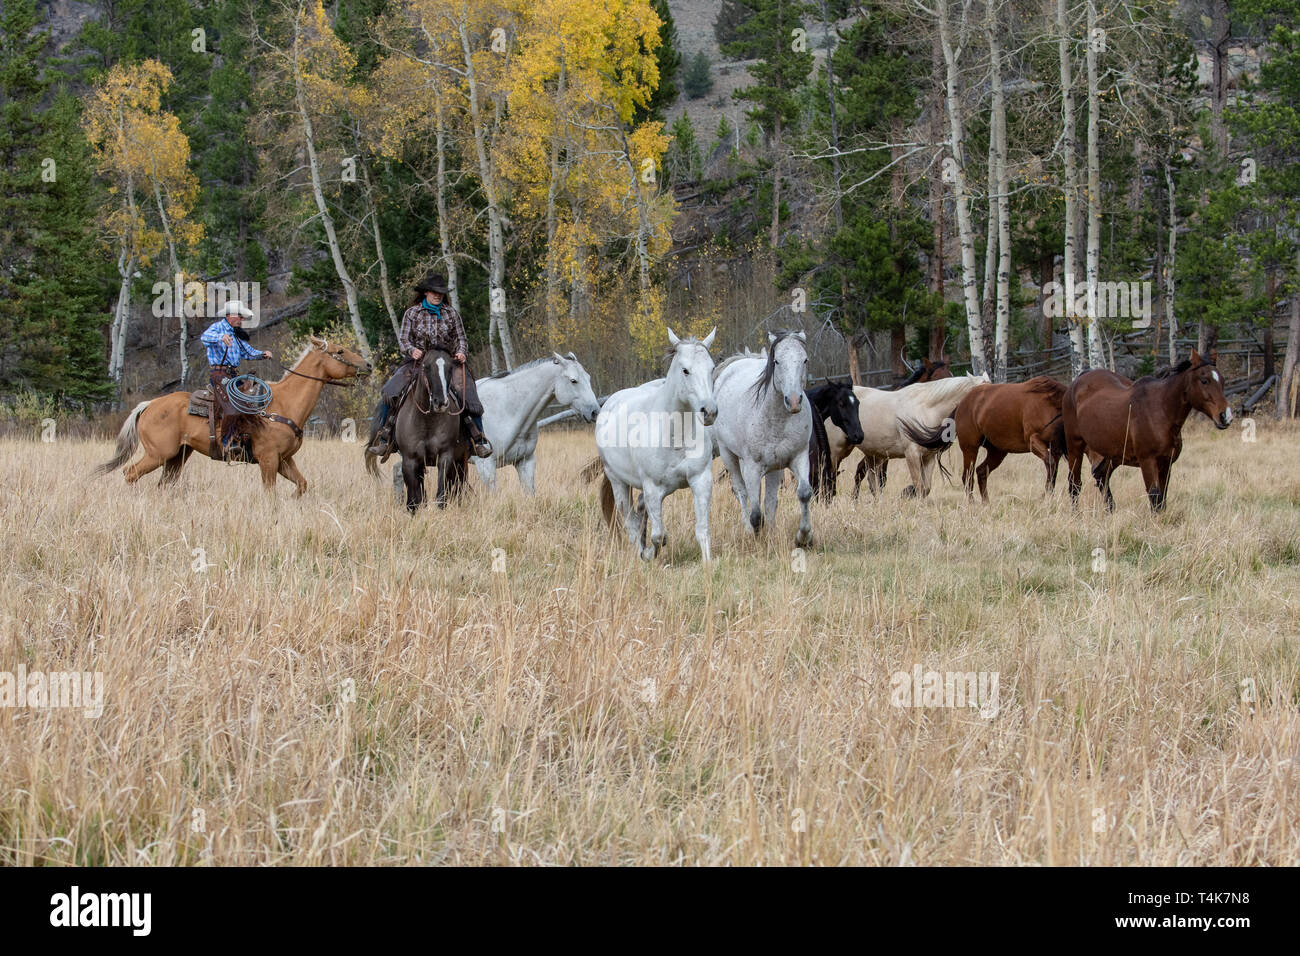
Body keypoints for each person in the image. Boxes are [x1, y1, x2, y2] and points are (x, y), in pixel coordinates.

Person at [367, 272, 492, 459]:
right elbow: (403, 340)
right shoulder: (412, 313)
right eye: (434, 292)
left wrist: (462, 352)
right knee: (390, 390)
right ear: (426, 292)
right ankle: (385, 437)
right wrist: (411, 350)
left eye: (440, 292)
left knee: (469, 392)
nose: (437, 295)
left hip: (447, 362)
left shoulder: (451, 313)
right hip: (417, 362)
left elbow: (461, 338)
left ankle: (478, 439)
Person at [200, 300, 271, 454]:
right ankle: (227, 442)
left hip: (232, 375)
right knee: (232, 407)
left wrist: (262, 354)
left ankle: (247, 436)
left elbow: (248, 352)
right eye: (240, 316)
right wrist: (221, 337)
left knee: (251, 400)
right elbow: (205, 337)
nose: (242, 319)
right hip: (219, 374)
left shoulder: (237, 335)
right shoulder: (218, 328)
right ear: (230, 315)